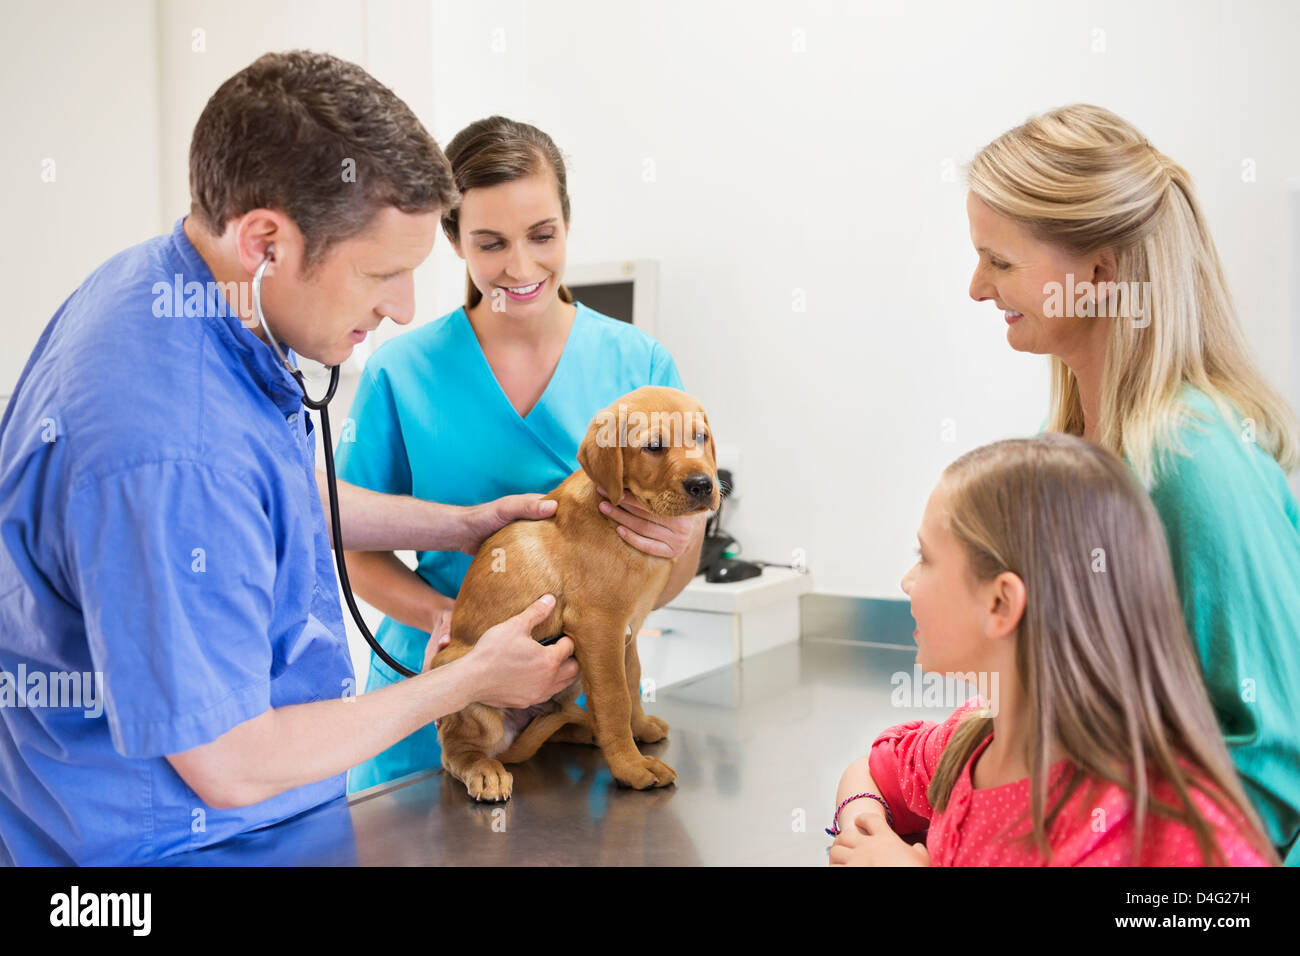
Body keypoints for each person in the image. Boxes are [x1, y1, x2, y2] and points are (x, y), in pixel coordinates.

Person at [0, 51, 578, 865]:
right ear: (265, 241)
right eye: (384, 273)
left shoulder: (159, 286)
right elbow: (232, 763)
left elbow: (257, 490)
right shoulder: (170, 448)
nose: (404, 310)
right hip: (172, 850)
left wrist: (461, 525)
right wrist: (469, 679)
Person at [964, 103, 1300, 865]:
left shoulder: (1195, 459)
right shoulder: (1076, 445)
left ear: (1101, 277)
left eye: (1001, 261)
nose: (977, 288)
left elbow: (1276, 772)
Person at [337, 116, 705, 793]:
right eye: (490, 243)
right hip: (444, 699)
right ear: (451, 239)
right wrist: (451, 629)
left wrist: (611, 626)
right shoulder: (402, 373)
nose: (523, 266)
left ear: (567, 221)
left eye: (543, 236)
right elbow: (353, 544)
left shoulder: (638, 367)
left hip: (580, 712)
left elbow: (683, 537)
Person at [830, 435, 1278, 866]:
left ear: (1000, 603)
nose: (906, 582)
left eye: (925, 558)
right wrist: (868, 833)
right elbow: (868, 772)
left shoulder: (1161, 833)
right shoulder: (976, 741)